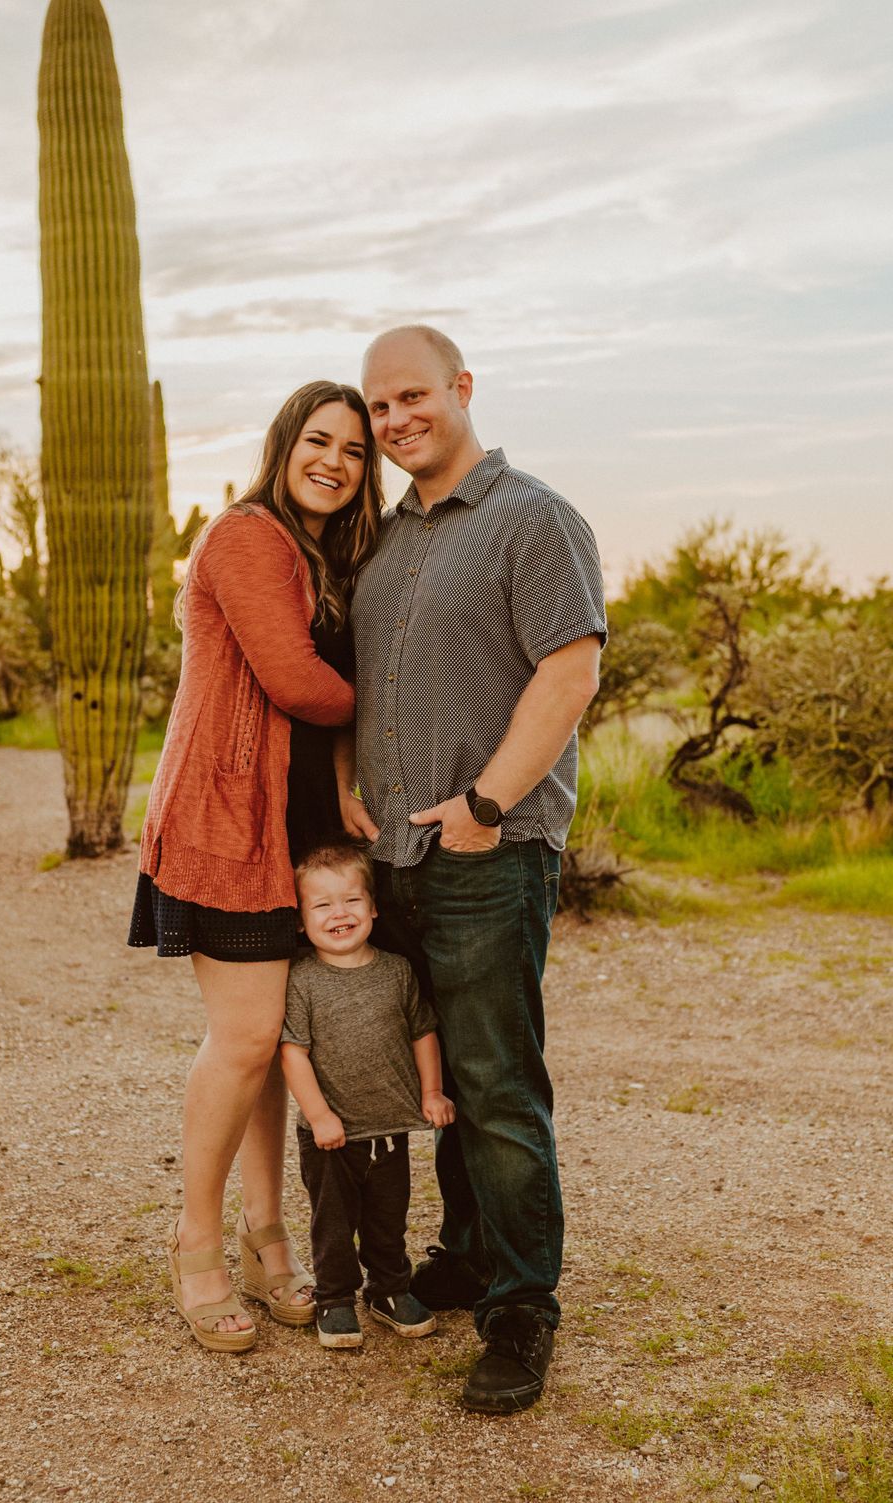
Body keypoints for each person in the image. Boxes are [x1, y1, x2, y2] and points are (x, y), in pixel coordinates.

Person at [337, 325, 607, 1411]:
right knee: (438, 1081)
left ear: (460, 388)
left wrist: (488, 807)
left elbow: (571, 669)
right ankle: (462, 1254)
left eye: (412, 397)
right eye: (379, 408)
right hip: (395, 855)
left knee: (496, 1085)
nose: (396, 421)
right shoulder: (387, 544)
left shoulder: (532, 518)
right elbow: (364, 685)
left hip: (488, 854)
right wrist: (350, 788)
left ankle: (521, 1311)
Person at [128, 381, 382, 1352]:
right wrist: (390, 707)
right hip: (228, 826)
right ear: (284, 445)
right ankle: (195, 1244)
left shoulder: (322, 554)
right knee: (242, 1043)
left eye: (354, 451)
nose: (334, 461)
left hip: (300, 832)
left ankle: (267, 1234)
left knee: (276, 1041)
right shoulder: (245, 535)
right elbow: (292, 680)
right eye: (318, 441)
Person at [280, 841, 454, 1348]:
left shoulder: (396, 972)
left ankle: (389, 1289)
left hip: (389, 1128)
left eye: (351, 901)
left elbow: (423, 1032)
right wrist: (319, 1115)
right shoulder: (302, 979)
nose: (340, 914)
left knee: (387, 1217)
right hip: (331, 1135)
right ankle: (334, 1298)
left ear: (374, 908)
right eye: (322, 905)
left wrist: (433, 1092)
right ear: (300, 919)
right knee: (333, 1223)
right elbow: (293, 1051)